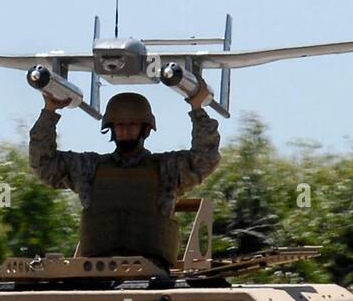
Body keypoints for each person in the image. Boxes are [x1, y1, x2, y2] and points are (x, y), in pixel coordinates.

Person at [28, 87, 221, 268]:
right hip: (96, 273)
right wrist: (50, 111)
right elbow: (45, 165)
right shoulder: (89, 168)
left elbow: (204, 159)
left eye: (132, 124)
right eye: (120, 125)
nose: (125, 130)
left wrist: (198, 109)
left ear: (145, 129)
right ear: (111, 128)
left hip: (153, 274)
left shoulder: (166, 169)